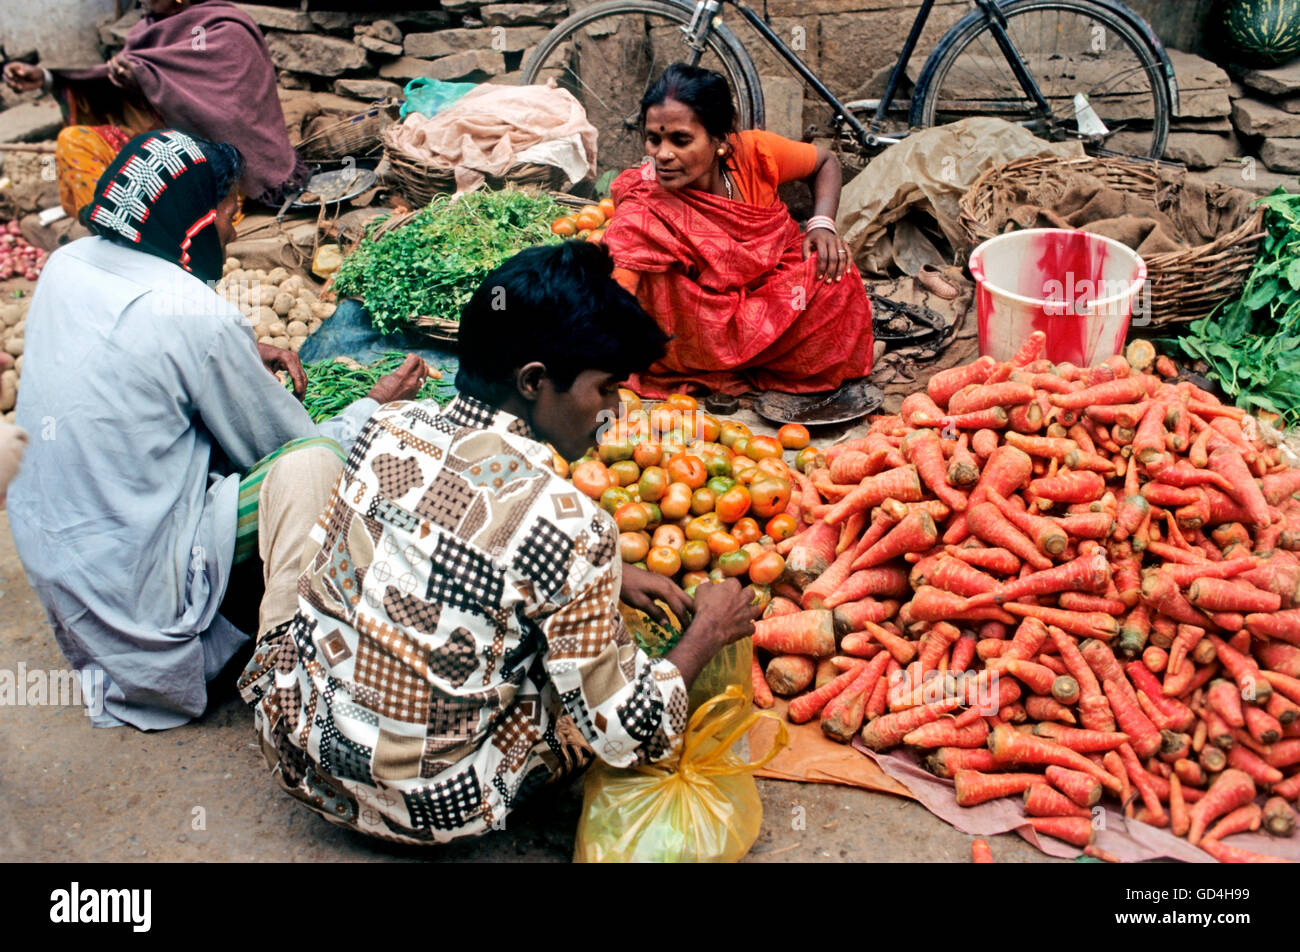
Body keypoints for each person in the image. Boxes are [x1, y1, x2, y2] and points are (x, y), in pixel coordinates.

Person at [244, 241, 763, 844]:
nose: (614, 414)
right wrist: (706, 634)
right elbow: (629, 735)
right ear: (535, 381)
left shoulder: (388, 427)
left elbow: (451, 544)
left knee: (312, 492)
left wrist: (606, 578)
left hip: (297, 753)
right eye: (605, 391)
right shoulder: (574, 524)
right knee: (576, 690)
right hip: (424, 813)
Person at [5, 129, 425, 730]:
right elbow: (285, 447)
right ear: (198, 218)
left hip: (72, 578)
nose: (232, 230)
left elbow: (138, 351)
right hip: (146, 608)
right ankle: (297, 666)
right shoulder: (198, 317)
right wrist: (374, 404)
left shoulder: (67, 264)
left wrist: (238, 350)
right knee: (317, 465)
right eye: (230, 213)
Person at [603, 63, 875, 399]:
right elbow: (615, 292)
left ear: (719, 138)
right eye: (653, 139)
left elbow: (825, 162)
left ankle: (754, 360)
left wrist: (822, 223)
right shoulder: (643, 207)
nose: (663, 155)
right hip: (694, 331)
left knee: (836, 274)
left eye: (680, 140)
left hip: (765, 293)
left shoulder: (756, 154)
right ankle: (757, 363)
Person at [3, 0, 307, 217]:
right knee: (74, 141)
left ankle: (149, 234)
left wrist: (146, 79)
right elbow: (109, 84)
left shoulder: (226, 31)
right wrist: (45, 78)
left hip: (206, 160)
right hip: (149, 148)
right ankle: (107, 231)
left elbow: (230, 113)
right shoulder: (145, 31)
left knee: (185, 197)